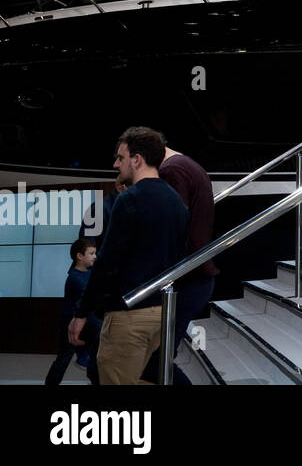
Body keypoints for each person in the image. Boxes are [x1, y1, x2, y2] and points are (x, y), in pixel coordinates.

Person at [69, 127, 189, 385]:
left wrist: (81, 313)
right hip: (163, 312)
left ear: (137, 160)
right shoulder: (176, 201)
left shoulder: (129, 199)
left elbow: (107, 264)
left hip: (129, 315)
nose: (115, 164)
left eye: (120, 157)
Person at [140, 141, 217, 385]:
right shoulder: (186, 165)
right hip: (193, 277)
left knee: (154, 361)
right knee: (157, 359)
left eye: (123, 157)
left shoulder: (173, 170)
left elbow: (172, 223)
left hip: (186, 279)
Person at [45, 239, 100, 386]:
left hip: (86, 322)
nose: (95, 256)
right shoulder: (74, 278)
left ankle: (86, 361)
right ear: (79, 256)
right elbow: (91, 297)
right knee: (64, 358)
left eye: (95, 253)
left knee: (96, 355)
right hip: (71, 324)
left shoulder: (90, 273)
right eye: (91, 253)